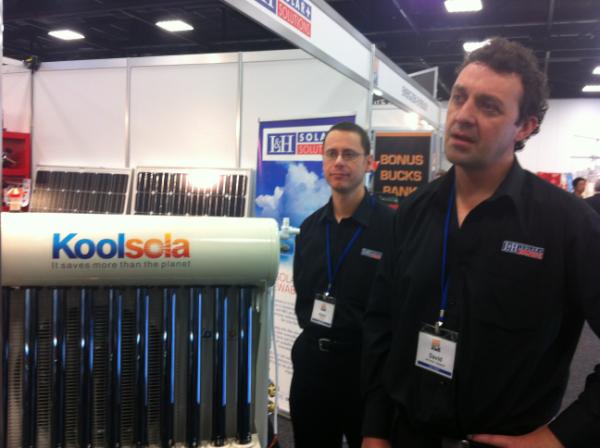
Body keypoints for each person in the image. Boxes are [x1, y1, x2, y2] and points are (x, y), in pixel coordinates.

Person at [362, 38, 600, 448]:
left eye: (489, 107)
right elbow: (382, 323)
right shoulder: (414, 211)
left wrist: (561, 437)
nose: (463, 116)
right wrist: (375, 430)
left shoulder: (567, 223)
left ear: (525, 127)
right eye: (459, 98)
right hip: (408, 435)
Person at [291, 121, 395, 448]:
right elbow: (303, 296)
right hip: (313, 368)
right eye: (331, 154)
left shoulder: (392, 228)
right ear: (323, 161)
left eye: (349, 154)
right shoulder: (310, 228)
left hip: (364, 374)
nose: (339, 162)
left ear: (369, 162)